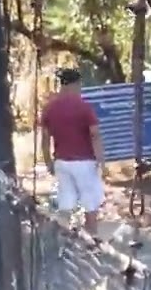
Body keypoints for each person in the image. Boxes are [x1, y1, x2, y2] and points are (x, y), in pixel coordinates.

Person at [40, 67, 105, 234]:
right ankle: (92, 239)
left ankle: (64, 242)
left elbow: (45, 139)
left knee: (66, 203)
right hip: (84, 161)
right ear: (76, 84)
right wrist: (101, 159)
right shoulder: (84, 107)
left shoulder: (49, 109)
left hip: (62, 161)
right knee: (90, 204)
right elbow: (95, 134)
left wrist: (49, 162)